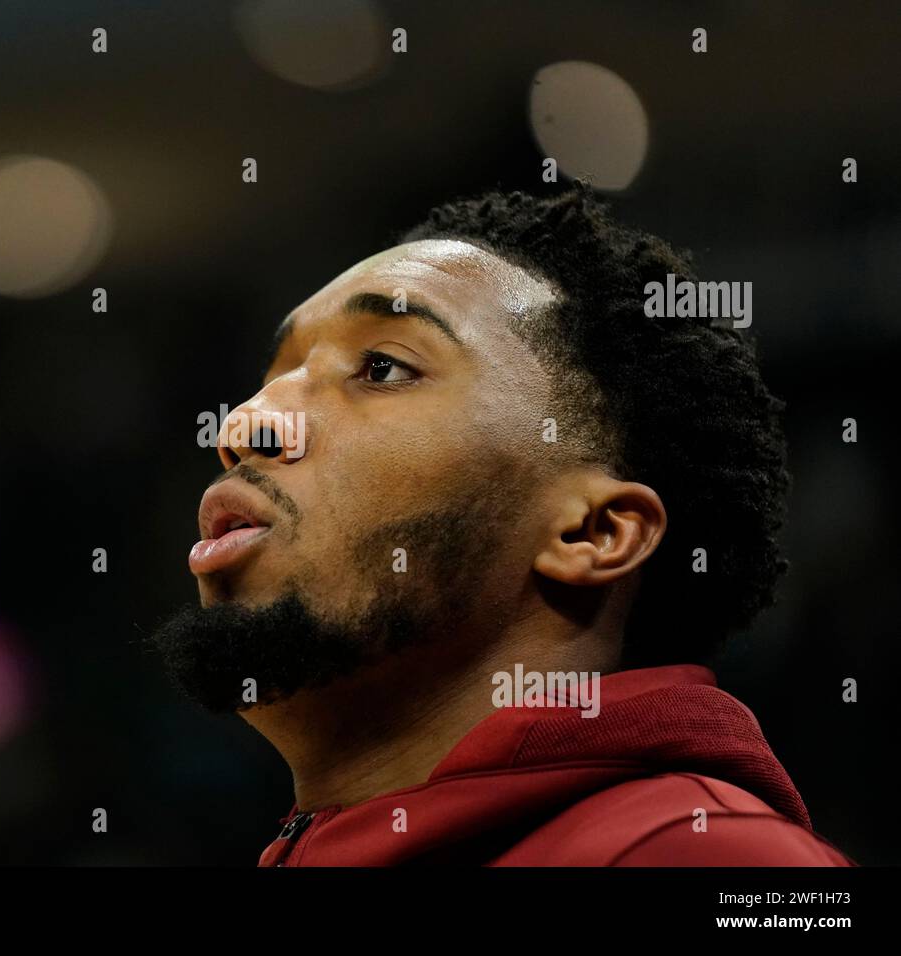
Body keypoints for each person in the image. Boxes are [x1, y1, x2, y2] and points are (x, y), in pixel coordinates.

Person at [148, 185, 853, 866]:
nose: (247, 423)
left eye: (383, 368)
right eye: (277, 373)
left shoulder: (701, 854)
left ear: (592, 534)